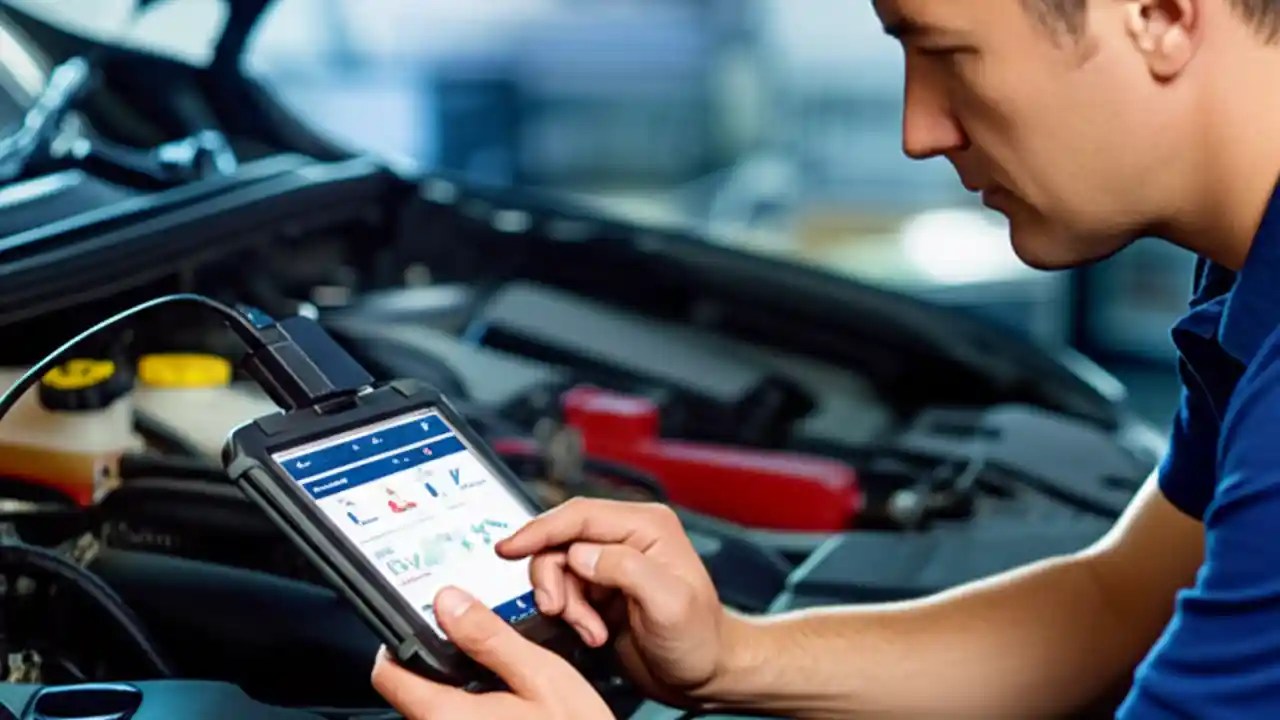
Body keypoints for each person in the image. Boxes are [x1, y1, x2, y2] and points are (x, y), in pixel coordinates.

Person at [371, 0, 1280, 716]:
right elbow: (1116, 604)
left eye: (947, 51)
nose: (919, 131)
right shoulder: (1246, 279)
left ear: (1157, 15)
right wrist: (731, 654)